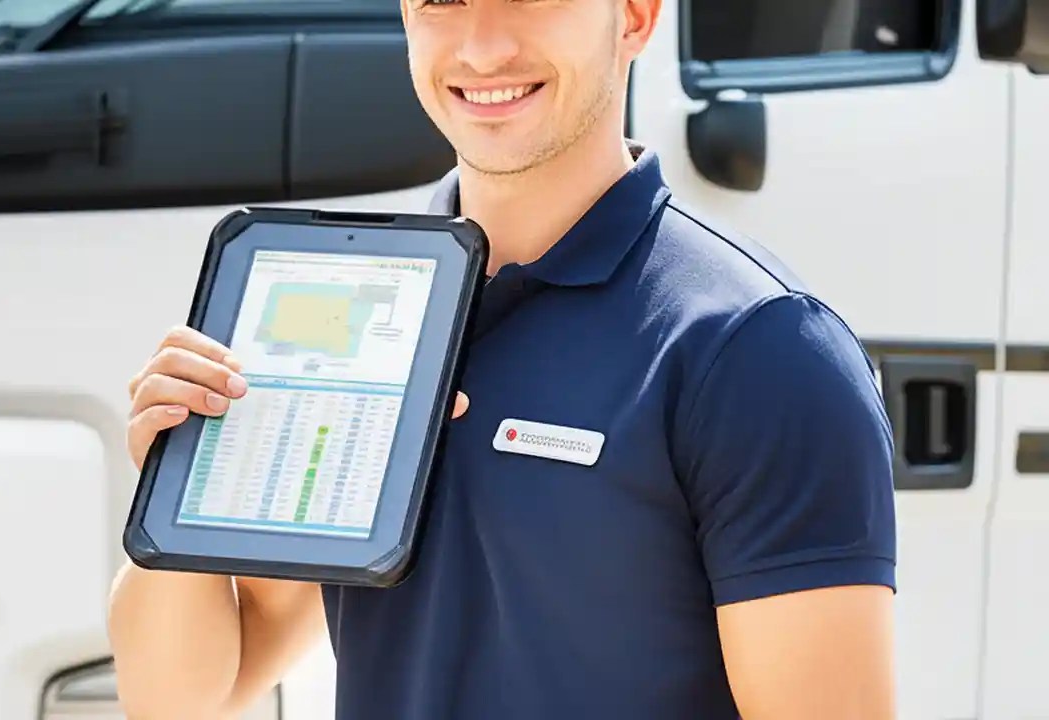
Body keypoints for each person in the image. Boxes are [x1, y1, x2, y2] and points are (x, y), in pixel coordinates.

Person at [108, 0, 898, 717]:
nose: (483, 49)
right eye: (443, 2)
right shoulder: (360, 312)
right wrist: (178, 487)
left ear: (634, 17)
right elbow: (187, 696)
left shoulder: (760, 350)